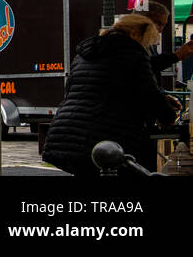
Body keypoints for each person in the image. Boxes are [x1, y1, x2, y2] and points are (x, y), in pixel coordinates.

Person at [43, 14, 178, 176]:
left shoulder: (85, 53)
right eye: (145, 40)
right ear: (135, 34)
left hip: (66, 135)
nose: (145, 46)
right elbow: (149, 94)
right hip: (106, 137)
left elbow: (84, 89)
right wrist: (169, 116)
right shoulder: (133, 53)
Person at [139, 2, 193, 77]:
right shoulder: (129, 42)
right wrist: (176, 56)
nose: (160, 30)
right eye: (158, 23)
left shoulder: (147, 42)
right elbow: (142, 67)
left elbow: (152, 65)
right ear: (144, 19)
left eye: (163, 25)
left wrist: (174, 58)